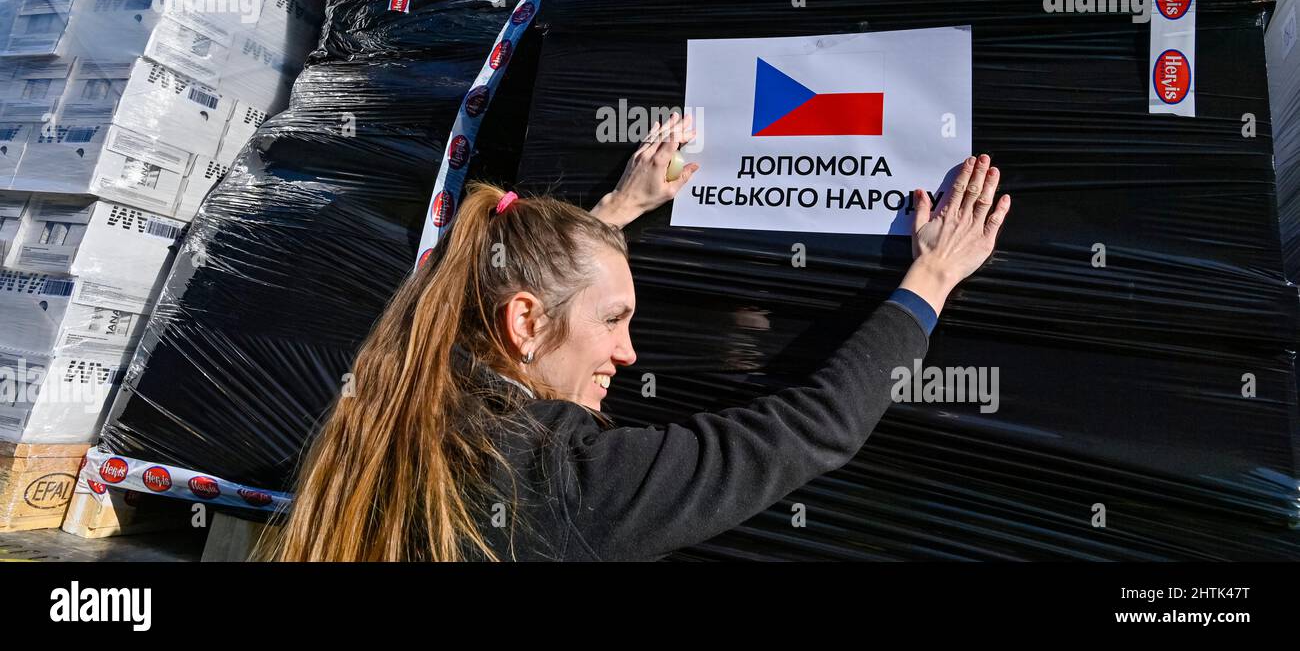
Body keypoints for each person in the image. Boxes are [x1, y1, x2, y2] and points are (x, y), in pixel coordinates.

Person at [270, 115, 1010, 561]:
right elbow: (813, 430)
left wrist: (614, 213)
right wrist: (935, 276)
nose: (629, 355)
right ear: (524, 321)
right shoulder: (555, 486)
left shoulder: (408, 394)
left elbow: (496, 289)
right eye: (615, 321)